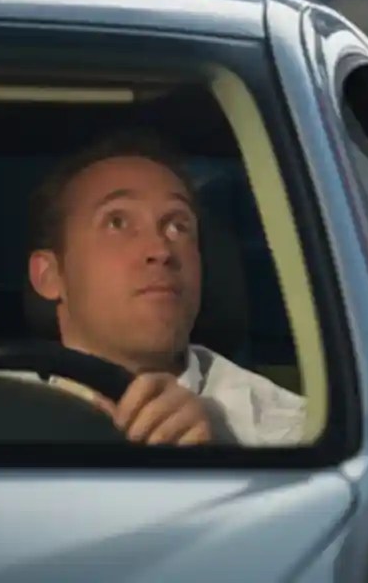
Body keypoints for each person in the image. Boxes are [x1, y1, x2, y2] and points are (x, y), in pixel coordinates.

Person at [23, 131, 306, 447]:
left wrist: (217, 459)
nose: (160, 249)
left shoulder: (290, 436)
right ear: (49, 276)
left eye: (178, 226)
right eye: (117, 222)